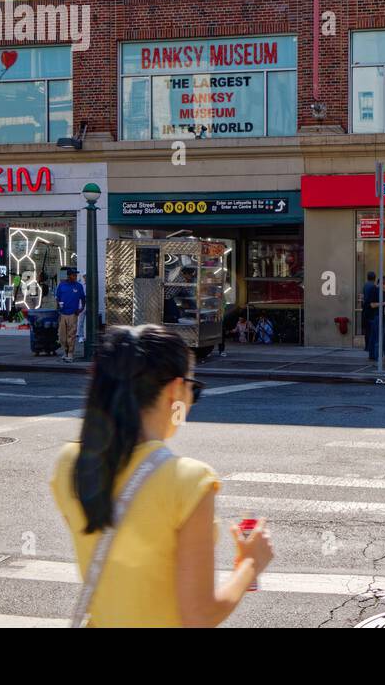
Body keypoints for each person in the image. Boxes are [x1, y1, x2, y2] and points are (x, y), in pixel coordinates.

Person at [51, 325, 274, 627]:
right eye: (193, 389)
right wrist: (250, 563)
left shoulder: (68, 464)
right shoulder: (188, 481)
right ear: (174, 391)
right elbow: (200, 616)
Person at [55, 268, 86, 363]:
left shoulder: (79, 286)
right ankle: (65, 350)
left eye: (76, 275)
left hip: (73, 314)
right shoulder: (61, 285)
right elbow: (57, 297)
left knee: (71, 334)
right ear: (69, 276)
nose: (75, 277)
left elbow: (83, 298)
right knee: (61, 336)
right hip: (63, 313)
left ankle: (70, 354)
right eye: (73, 275)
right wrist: (58, 308)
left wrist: (81, 309)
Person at [361, 272, 380, 361]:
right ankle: (369, 347)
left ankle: (367, 346)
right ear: (375, 277)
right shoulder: (373, 287)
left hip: (366, 310)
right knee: (371, 330)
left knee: (367, 329)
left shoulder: (365, 285)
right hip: (371, 311)